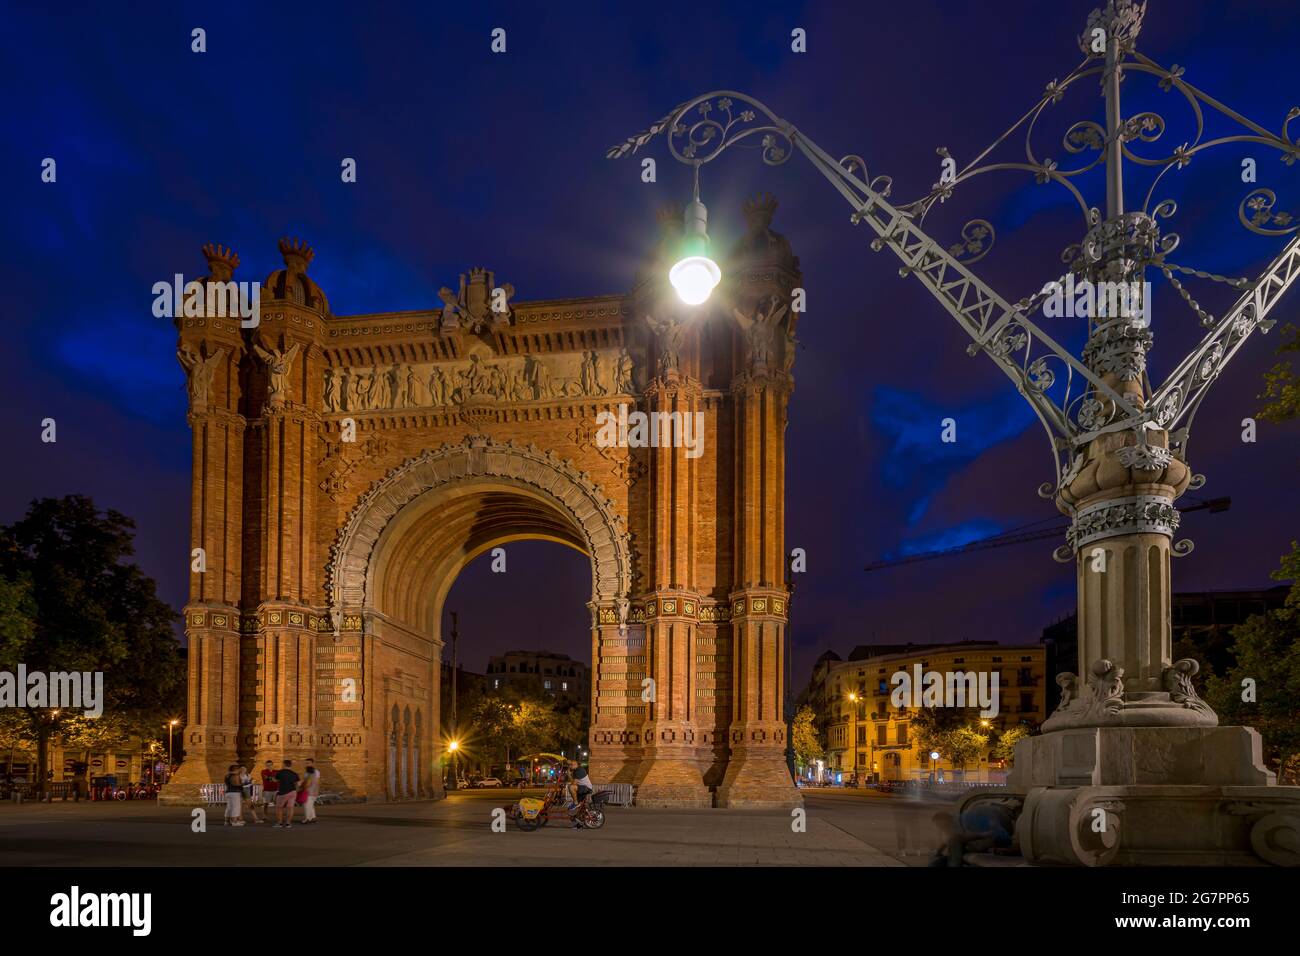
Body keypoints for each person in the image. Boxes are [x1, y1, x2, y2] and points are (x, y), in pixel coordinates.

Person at [565, 759, 594, 829]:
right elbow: (569, 761)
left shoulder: (579, 771)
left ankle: (575, 803)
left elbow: (573, 783)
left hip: (586, 788)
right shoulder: (576, 770)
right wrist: (568, 763)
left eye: (572, 765)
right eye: (570, 765)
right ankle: (579, 824)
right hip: (581, 788)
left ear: (577, 765)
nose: (570, 766)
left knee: (571, 787)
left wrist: (569, 775)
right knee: (580, 807)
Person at [273, 759, 300, 828]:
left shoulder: (280, 772)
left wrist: (271, 779)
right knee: (290, 808)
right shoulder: (294, 774)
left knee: (279, 808)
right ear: (290, 765)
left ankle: (280, 823)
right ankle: (288, 823)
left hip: (282, 792)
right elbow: (297, 784)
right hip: (292, 792)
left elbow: (275, 780)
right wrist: (296, 792)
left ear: (284, 764)